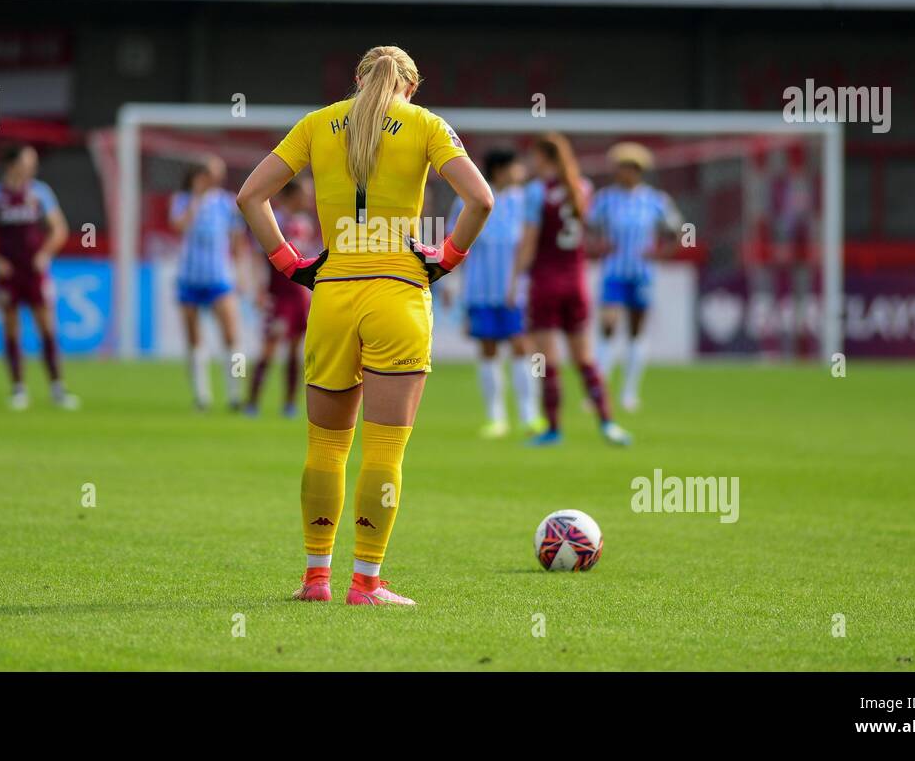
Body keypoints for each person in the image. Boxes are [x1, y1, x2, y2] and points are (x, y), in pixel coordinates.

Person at [235, 44, 492, 606]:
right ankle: (366, 584)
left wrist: (289, 263)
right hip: (398, 295)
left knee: (325, 448)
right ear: (412, 87)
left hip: (331, 298)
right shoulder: (426, 125)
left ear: (357, 80)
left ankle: (315, 580)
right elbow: (480, 199)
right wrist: (446, 258)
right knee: (384, 452)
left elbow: (251, 197)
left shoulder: (317, 123)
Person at [513, 133, 631, 447]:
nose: (531, 164)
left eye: (534, 158)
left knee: (547, 361)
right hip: (576, 282)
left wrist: (514, 281)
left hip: (546, 282)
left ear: (544, 158)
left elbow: (529, 242)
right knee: (585, 359)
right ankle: (608, 423)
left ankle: (553, 429)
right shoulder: (583, 187)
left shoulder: (537, 192)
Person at [0, 144, 79, 411]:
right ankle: (18, 388)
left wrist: (45, 254)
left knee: (47, 327)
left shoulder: (40, 193)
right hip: (8, 272)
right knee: (11, 327)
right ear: (12, 164)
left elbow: (59, 228)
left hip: (35, 271)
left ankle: (57, 388)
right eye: (28, 161)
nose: (32, 167)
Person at [447, 147, 544, 437]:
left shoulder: (525, 200)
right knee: (488, 350)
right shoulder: (467, 201)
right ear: (500, 170)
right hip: (480, 289)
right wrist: (451, 283)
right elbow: (455, 243)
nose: (521, 172)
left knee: (521, 346)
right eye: (515, 166)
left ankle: (529, 415)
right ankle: (495, 418)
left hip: (515, 291)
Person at [589, 142, 682, 413]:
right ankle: (599, 391)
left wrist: (662, 253)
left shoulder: (655, 200)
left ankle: (629, 392)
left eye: (627, 168)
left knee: (636, 331)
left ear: (637, 171)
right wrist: (597, 247)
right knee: (607, 325)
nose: (622, 173)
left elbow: (677, 230)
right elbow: (588, 228)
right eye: (619, 168)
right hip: (614, 272)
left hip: (642, 274)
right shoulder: (605, 199)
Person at [170, 157, 246, 411]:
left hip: (219, 278)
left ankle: (235, 395)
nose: (217, 178)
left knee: (231, 336)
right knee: (194, 339)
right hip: (189, 278)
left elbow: (236, 240)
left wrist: (240, 273)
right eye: (212, 173)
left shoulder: (227, 202)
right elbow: (179, 226)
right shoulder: (182, 200)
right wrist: (197, 198)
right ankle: (201, 396)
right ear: (198, 175)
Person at [244, 178, 316, 418]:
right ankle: (252, 402)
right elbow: (257, 256)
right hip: (279, 295)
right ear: (290, 195)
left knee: (296, 350)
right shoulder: (274, 221)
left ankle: (289, 404)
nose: (308, 199)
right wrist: (259, 289)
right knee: (268, 349)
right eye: (304, 194)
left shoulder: (305, 223)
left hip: (300, 297)